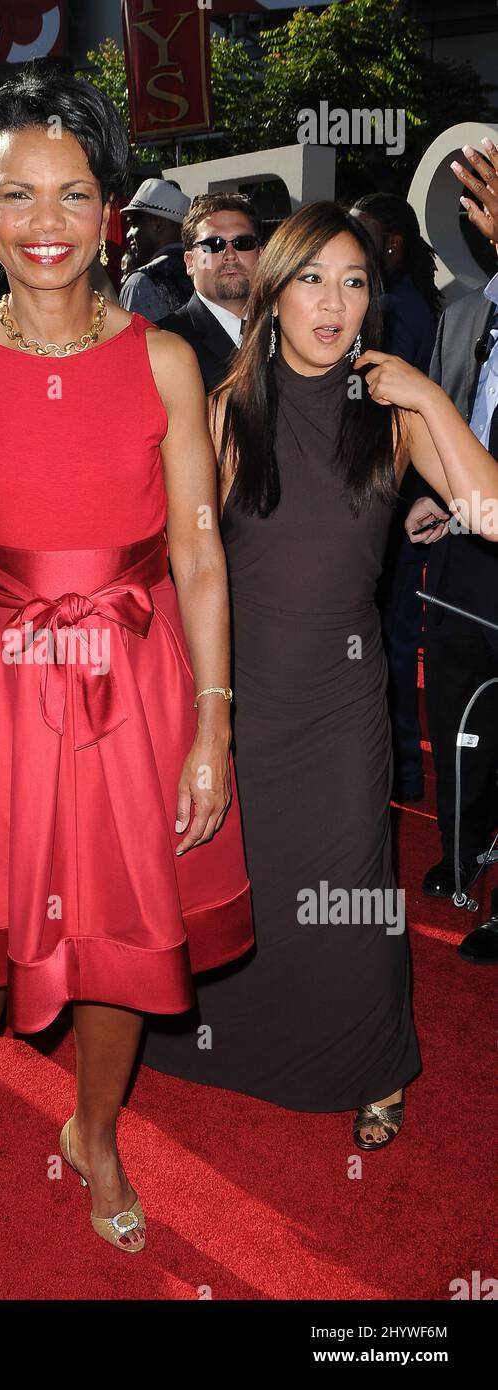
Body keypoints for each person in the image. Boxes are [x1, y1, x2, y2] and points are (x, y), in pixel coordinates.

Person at [0, 69, 253, 1252]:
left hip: (136, 681)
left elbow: (198, 558)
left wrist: (211, 720)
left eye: (73, 195)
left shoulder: (163, 363)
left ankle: (93, 1130)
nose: (46, 221)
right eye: (16, 196)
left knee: (120, 930)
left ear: (109, 214)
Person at [143, 200, 498, 1149]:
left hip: (344, 704)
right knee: (242, 876)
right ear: (273, 292)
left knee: (352, 888)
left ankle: (372, 1066)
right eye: (311, 280)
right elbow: (183, 562)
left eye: (352, 282)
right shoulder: (226, 408)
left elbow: (492, 510)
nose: (333, 304)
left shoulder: (390, 412)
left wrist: (427, 396)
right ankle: (219, 1042)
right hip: (238, 690)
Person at [400, 136, 498, 960]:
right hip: (465, 546)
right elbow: (451, 421)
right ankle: (463, 845)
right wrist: (435, 499)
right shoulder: (464, 309)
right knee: (459, 704)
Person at [351, 193, 442, 804]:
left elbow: (393, 413)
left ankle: (400, 775)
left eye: (361, 239)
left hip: (397, 502)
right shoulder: (418, 304)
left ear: (390, 247)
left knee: (392, 640)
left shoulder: (394, 312)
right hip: (406, 498)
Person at [159, 192, 262, 392]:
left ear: (262, 255)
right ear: (189, 262)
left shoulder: (288, 332)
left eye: (243, 243)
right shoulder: (164, 340)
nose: (230, 255)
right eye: (213, 245)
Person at [119, 178, 191, 322]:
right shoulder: (203, 272)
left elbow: (132, 343)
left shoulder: (140, 283)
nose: (129, 234)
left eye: (133, 224)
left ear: (158, 226)